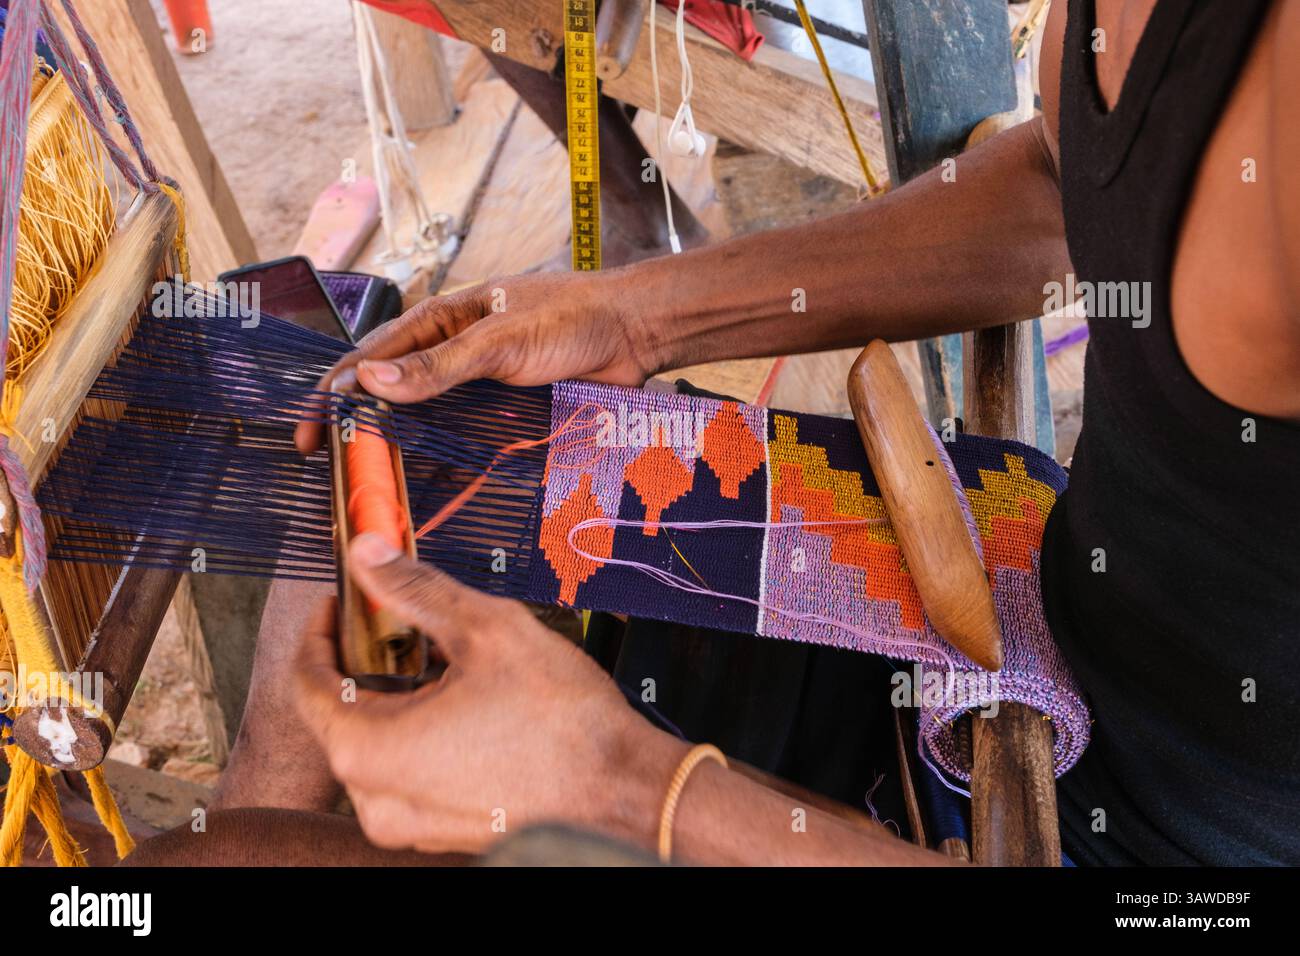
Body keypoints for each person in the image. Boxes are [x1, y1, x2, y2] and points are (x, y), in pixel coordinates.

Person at [128, 0, 1298, 866]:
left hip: (1109, 843)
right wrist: (635, 314)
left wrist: (634, 787)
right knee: (387, 453)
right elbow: (1061, 186)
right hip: (1028, 617)